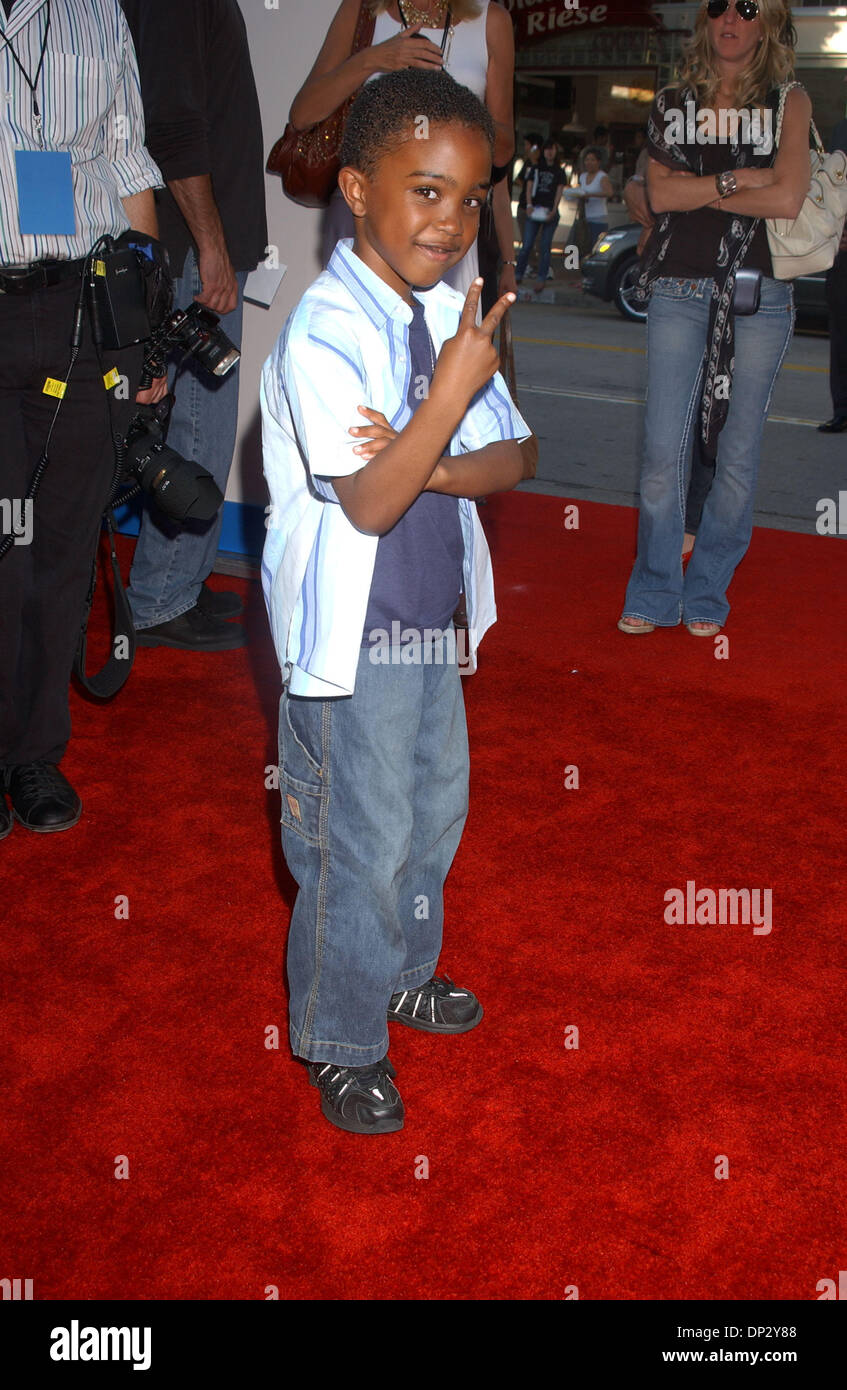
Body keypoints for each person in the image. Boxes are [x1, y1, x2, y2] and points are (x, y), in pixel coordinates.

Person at [261, 68, 537, 1134]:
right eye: (425, 191)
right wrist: (448, 404)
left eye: (469, 199)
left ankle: (401, 972)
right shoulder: (326, 328)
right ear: (356, 189)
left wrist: (435, 447)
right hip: (354, 641)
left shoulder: (442, 319)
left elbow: (517, 455)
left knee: (431, 815)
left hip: (432, 628)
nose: (451, 221)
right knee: (352, 840)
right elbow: (370, 502)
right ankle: (342, 1032)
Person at [0, 0, 165, 839]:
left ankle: (33, 752)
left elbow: (126, 163)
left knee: (60, 546)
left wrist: (145, 336)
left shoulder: (98, 12)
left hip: (80, 308)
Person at [619, 0, 811, 638]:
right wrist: (736, 178)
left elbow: (786, 197)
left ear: (768, 24)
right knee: (658, 453)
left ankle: (706, 593)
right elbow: (659, 193)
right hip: (677, 287)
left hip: (758, 296)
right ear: (704, 22)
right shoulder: (674, 100)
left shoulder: (789, 101)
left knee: (736, 455)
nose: (730, 17)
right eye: (717, 6)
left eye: (748, 7)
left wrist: (701, 186)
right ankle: (653, 587)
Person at [119, 0, 268, 651]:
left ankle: (178, 580)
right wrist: (210, 245)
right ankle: (158, 598)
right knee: (196, 426)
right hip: (187, 249)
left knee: (193, 422)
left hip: (194, 247)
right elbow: (173, 131)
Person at [290, 0, 518, 301]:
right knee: (358, 329)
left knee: (442, 339)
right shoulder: (362, 9)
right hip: (370, 214)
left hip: (448, 221)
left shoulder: (491, 20)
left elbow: (502, 150)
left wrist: (449, 102)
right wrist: (372, 60)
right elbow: (303, 114)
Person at [818, 111, 847, 432]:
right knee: (841, 334)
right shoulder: (842, 129)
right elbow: (829, 186)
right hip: (841, 252)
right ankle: (842, 408)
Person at [514, 137, 566, 293]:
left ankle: (541, 278)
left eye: (552, 149)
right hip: (534, 209)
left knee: (545, 245)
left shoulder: (559, 171)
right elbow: (528, 188)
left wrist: (554, 209)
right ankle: (518, 274)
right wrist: (529, 205)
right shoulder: (536, 168)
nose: (550, 152)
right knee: (527, 244)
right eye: (547, 149)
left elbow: (559, 192)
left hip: (550, 211)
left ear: (556, 152)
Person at [574, 148, 614, 247]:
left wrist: (590, 195)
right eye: (587, 160)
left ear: (598, 162)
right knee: (582, 245)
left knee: (596, 247)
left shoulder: (602, 176)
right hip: (584, 217)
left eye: (592, 160)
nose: (589, 162)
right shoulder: (582, 176)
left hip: (599, 218)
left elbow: (609, 193)